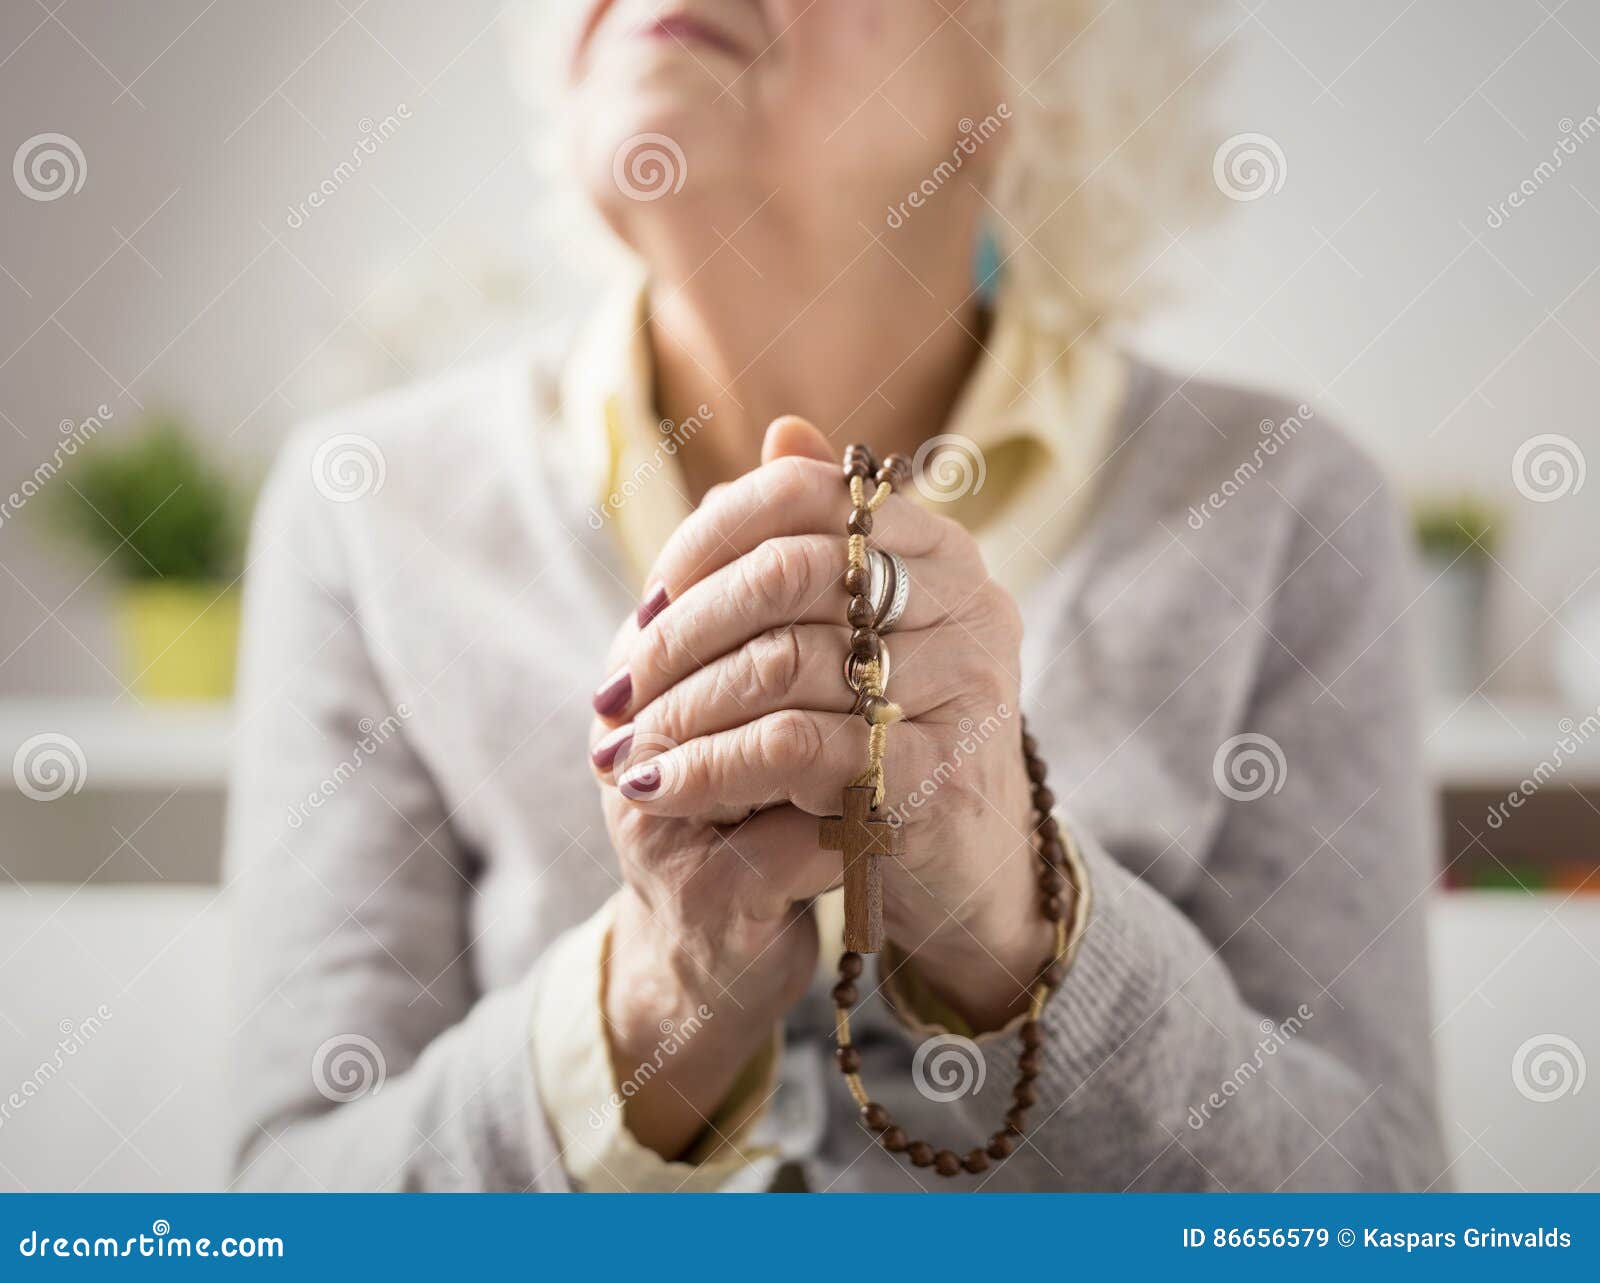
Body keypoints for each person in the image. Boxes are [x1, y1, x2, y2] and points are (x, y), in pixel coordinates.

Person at [226, 0, 1444, 1191]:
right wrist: (655, 994)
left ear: (1039, 60)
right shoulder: (367, 509)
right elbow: (285, 1209)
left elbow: (1381, 1213)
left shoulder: (1279, 500)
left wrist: (1018, 922)